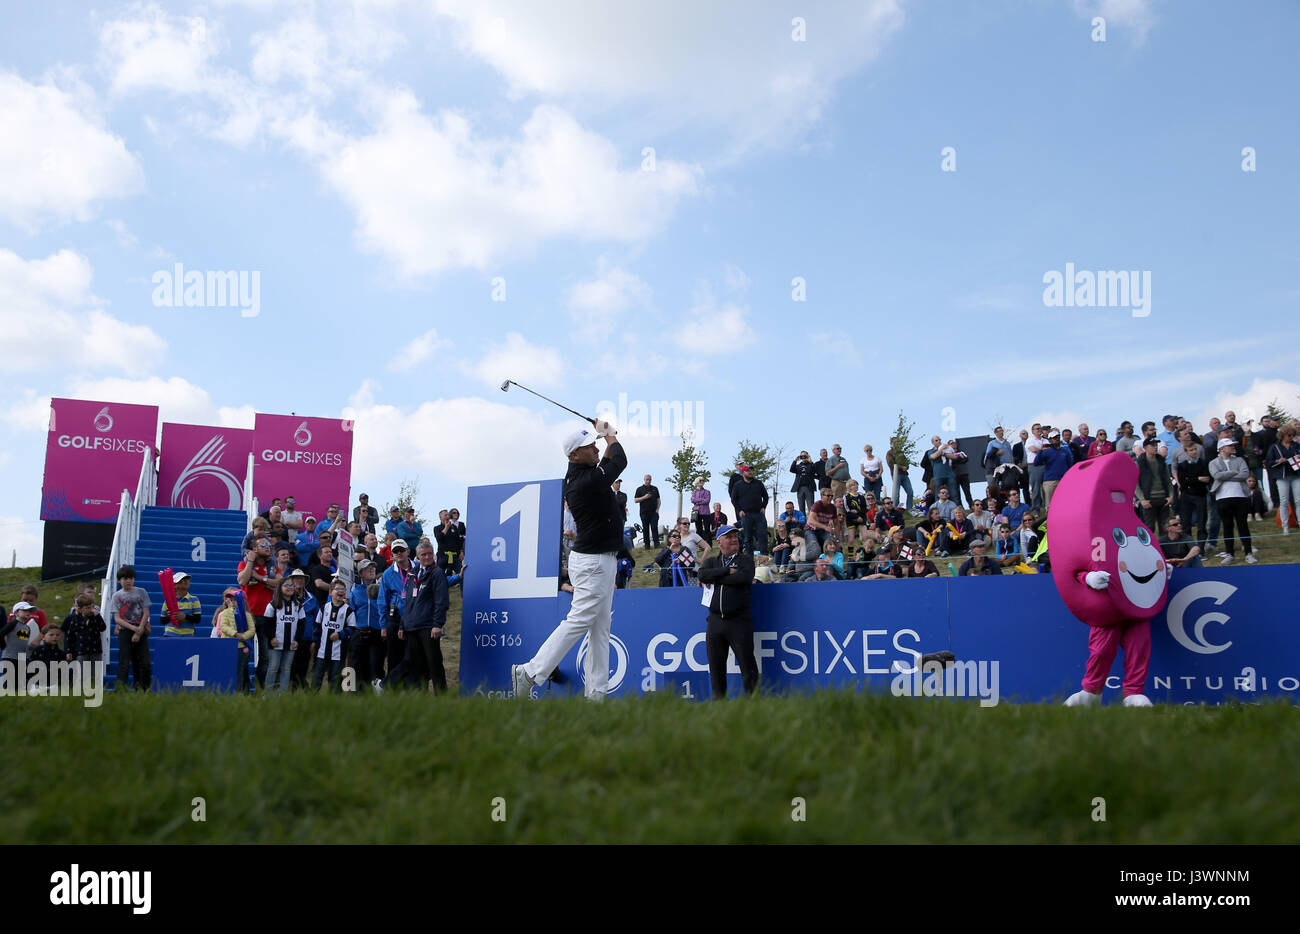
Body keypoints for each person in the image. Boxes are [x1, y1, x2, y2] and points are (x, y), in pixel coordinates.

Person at [513, 420, 625, 700]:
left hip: (602, 561)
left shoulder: (586, 474)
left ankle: (597, 694)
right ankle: (529, 672)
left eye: (595, 445)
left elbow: (608, 459)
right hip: (593, 563)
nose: (595, 450)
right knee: (581, 619)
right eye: (589, 448)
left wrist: (604, 435)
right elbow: (619, 461)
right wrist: (609, 435)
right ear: (574, 455)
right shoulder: (583, 482)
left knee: (600, 627)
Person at [697, 525, 758, 698]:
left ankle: (754, 703)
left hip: (739, 621)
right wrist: (726, 571)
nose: (734, 539)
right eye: (729, 536)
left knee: (747, 665)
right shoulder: (711, 562)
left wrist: (716, 578)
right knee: (716, 667)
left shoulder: (745, 560)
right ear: (719, 542)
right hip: (715, 622)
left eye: (735, 536)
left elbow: (743, 578)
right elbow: (702, 575)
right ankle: (719, 705)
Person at [399, 543, 453, 693]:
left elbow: (441, 601)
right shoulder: (413, 573)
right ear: (418, 557)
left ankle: (441, 698)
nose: (427, 557)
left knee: (434, 663)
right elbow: (408, 601)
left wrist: (438, 624)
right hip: (411, 627)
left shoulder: (437, 573)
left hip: (428, 627)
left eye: (430, 553)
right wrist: (402, 625)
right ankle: (420, 698)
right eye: (424, 554)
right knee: (416, 666)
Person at [1209, 437, 1254, 563]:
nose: (1233, 447)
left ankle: (1248, 552)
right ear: (1222, 448)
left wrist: (1226, 475)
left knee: (1243, 525)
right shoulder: (1213, 462)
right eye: (1230, 446)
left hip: (1240, 496)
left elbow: (1245, 474)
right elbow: (1216, 475)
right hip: (1223, 498)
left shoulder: (1240, 460)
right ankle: (1230, 553)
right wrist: (1234, 472)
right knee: (1227, 526)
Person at [108, 566, 151, 690]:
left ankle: (144, 689)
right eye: (125, 578)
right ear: (119, 580)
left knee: (144, 663)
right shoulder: (116, 596)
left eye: (131, 578)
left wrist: (140, 630)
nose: (128, 581)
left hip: (141, 628)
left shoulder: (141, 592)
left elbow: (146, 612)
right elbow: (117, 619)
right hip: (125, 630)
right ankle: (121, 690)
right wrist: (133, 629)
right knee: (124, 663)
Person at [261, 574, 306, 694]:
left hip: (291, 644)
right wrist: (271, 638)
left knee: (286, 669)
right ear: (280, 587)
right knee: (273, 669)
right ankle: (268, 694)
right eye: (287, 585)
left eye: (292, 585)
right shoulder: (273, 605)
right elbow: (266, 624)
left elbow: (302, 625)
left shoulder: (298, 606)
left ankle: (283, 694)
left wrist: (297, 639)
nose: (290, 588)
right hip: (275, 643)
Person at [312, 580, 356, 692]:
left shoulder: (348, 610)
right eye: (338, 589)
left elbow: (352, 628)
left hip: (338, 652)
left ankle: (334, 701)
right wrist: (314, 643)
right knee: (317, 678)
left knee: (335, 680)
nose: (341, 592)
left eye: (343, 590)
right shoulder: (324, 608)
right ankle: (312, 699)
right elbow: (317, 627)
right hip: (322, 651)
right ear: (331, 592)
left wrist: (340, 634)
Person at [349, 560, 385, 690]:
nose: (371, 570)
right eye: (367, 568)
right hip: (360, 632)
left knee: (376, 665)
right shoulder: (355, 591)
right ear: (361, 573)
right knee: (357, 665)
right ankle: (356, 694)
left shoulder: (382, 588)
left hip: (377, 632)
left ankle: (377, 693)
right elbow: (351, 611)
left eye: (373, 568)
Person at [1266, 423, 1300, 534]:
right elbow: (1268, 462)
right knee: (1284, 501)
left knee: (1298, 500)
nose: (1291, 437)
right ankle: (1285, 526)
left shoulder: (1296, 445)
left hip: (1296, 475)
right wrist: (1278, 461)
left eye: (1292, 435)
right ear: (1282, 435)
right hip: (1282, 477)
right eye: (1289, 435)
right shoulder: (1274, 447)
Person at [1137, 437, 1173, 538]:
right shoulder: (1139, 462)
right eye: (1152, 445)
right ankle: (1148, 551)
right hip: (1149, 499)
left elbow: (1168, 480)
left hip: (1163, 498)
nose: (1155, 447)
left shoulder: (1162, 461)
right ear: (1145, 447)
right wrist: (1142, 499)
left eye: (1156, 445)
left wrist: (1170, 495)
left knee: (1165, 527)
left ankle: (1164, 551)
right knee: (1149, 527)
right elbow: (1136, 484)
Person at [732, 464, 769, 555]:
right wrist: (739, 510)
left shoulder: (758, 483)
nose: (750, 472)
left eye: (751, 470)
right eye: (748, 471)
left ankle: (764, 557)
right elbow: (734, 499)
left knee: (763, 535)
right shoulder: (738, 485)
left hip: (758, 514)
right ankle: (749, 558)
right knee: (747, 537)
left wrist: (763, 506)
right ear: (743, 473)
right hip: (746, 515)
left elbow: (766, 496)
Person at [1034, 429, 1073, 509]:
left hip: (1063, 480)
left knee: (1065, 502)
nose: (1056, 439)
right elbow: (1036, 462)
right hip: (1050, 481)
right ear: (1050, 440)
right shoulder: (1047, 451)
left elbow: (1070, 465)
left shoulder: (1065, 451)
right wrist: (1040, 451)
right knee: (1050, 505)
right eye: (1054, 438)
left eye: (1058, 437)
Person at [164, 571, 202, 636]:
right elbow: (162, 620)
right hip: (170, 634)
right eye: (182, 580)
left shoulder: (194, 599)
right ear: (175, 585)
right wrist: (169, 616)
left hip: (187, 635)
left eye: (187, 580)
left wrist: (185, 616)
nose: (186, 581)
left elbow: (197, 619)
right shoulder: (168, 600)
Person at [634, 473, 661, 549]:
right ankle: (647, 545)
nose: (648, 481)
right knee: (645, 528)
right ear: (644, 480)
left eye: (649, 480)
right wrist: (644, 497)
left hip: (653, 512)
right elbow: (636, 500)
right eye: (647, 480)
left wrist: (657, 509)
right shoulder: (639, 489)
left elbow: (658, 500)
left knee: (654, 527)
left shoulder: (655, 488)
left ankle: (656, 544)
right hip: (644, 512)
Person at [886, 444, 914, 512]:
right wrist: (901, 467)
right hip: (896, 475)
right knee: (896, 493)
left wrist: (906, 467)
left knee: (910, 492)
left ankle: (909, 509)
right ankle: (895, 509)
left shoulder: (901, 452)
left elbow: (906, 462)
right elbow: (891, 464)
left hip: (904, 475)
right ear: (891, 444)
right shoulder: (889, 453)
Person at [789, 451, 819, 516]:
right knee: (801, 507)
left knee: (811, 507)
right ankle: (803, 524)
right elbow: (791, 470)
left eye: (805, 456)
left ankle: (812, 523)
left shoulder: (811, 465)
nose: (804, 458)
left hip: (809, 487)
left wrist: (810, 461)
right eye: (802, 456)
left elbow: (814, 471)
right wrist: (795, 460)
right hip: (800, 488)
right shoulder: (798, 466)